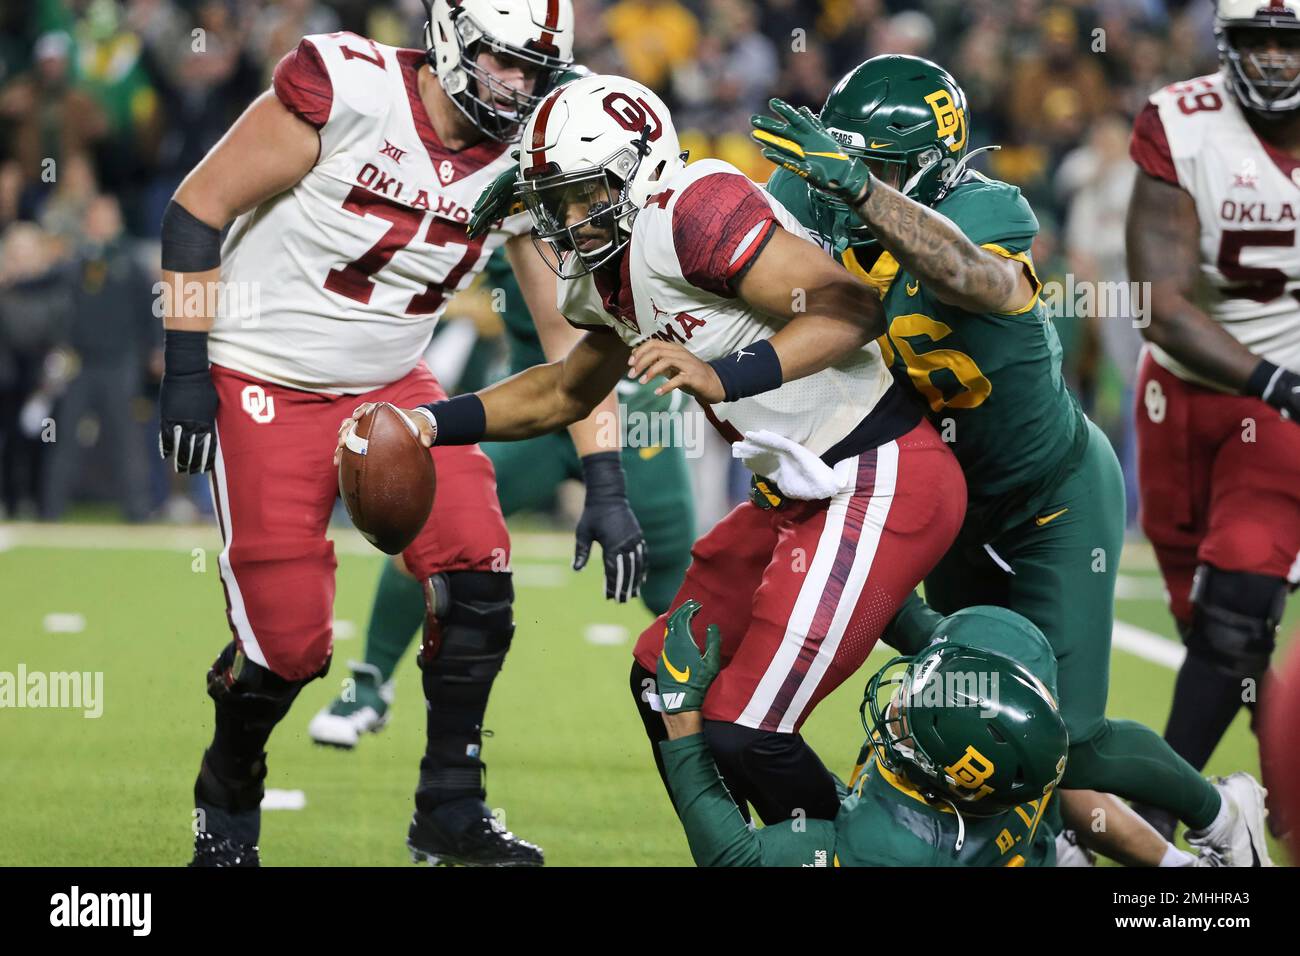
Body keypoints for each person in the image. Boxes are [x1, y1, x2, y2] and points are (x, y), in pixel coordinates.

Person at [339, 72, 967, 827]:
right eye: (554, 201)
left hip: (877, 473)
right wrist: (430, 424)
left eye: (584, 194)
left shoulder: (694, 209)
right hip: (796, 498)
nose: (569, 220)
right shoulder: (606, 270)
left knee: (747, 730)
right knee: (660, 681)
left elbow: (851, 307)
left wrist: (722, 376)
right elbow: (566, 392)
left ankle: (864, 850)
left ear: (639, 167)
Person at [751, 53, 1271, 865]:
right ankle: (1057, 845)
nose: (845, 180)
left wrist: (860, 186)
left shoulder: (986, 205)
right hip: (942, 498)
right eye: (845, 158)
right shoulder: (806, 197)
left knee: (1069, 731)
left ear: (928, 167)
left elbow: (972, 277)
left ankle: (1220, 815)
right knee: (960, 699)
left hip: (1048, 494)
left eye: (880, 164)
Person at [160, 0, 644, 868]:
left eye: (534, 70)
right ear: (454, 37)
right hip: (263, 376)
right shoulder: (347, 86)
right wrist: (187, 369)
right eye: (503, 63)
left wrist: (604, 478)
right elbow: (196, 211)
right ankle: (226, 802)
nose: (520, 86)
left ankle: (448, 808)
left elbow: (572, 349)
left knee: (478, 571)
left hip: (393, 390)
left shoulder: (528, 151)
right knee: (290, 646)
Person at [309, 245, 697, 747]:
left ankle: (720, 705)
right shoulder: (510, 208)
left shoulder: (649, 209)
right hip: (533, 412)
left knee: (672, 579)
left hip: (637, 422)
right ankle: (369, 682)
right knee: (429, 531)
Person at [1126, 0, 1300, 846]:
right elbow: (1158, 303)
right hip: (1181, 396)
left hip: (1282, 416)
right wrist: (1271, 376)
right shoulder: (1182, 120)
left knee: (1239, 607)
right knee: (1214, 634)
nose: (1272, 58)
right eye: (1256, 40)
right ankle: (1251, 811)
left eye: (1289, 41)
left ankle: (1151, 812)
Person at [654, 598, 1069, 866]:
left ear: (946, 781)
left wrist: (680, 713)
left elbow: (734, 859)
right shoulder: (1031, 721)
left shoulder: (890, 843)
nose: (897, 703)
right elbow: (941, 631)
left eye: (910, 719)